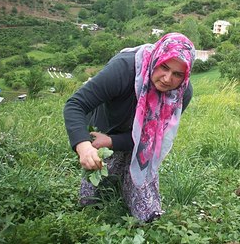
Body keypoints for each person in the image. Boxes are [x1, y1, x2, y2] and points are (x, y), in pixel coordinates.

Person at [63, 32, 195, 222]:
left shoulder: (181, 94)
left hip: (138, 142)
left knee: (147, 214)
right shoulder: (124, 69)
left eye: (177, 74)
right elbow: (75, 105)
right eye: (164, 67)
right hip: (106, 127)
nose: (167, 79)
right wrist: (83, 144)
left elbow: (151, 138)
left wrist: (113, 142)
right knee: (91, 200)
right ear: (156, 58)